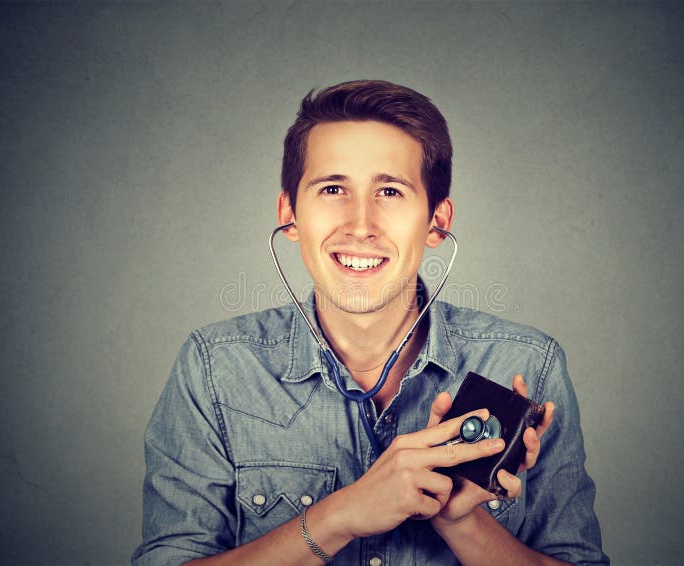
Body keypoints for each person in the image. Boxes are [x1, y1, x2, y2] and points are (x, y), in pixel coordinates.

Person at [132, 80, 608, 565]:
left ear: (437, 222)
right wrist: (339, 516)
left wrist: (461, 521)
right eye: (333, 189)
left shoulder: (526, 364)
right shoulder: (215, 368)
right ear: (289, 214)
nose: (361, 224)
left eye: (390, 190)